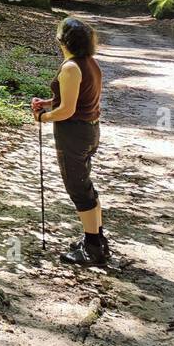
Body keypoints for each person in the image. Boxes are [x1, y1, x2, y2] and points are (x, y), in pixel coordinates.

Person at [32, 16, 108, 266]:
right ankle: (95, 239)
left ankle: (93, 249)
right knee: (85, 186)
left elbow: (67, 110)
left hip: (74, 134)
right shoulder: (90, 63)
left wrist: (44, 117)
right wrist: (48, 103)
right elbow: (75, 99)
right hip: (89, 131)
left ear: (63, 41)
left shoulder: (70, 68)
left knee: (78, 189)